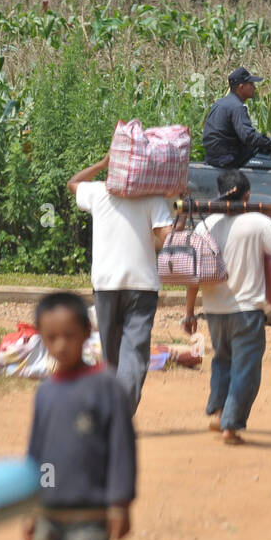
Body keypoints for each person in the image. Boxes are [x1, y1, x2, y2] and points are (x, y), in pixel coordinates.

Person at [23, 293, 136, 540]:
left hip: (90, 515)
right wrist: (30, 506)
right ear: (40, 335)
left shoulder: (106, 388)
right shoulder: (45, 394)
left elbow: (121, 446)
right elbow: (38, 454)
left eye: (69, 335)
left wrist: (119, 502)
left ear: (87, 333)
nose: (60, 344)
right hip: (48, 517)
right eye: (51, 337)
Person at [182, 170, 271, 444]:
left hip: (215, 312)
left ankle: (218, 412)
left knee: (222, 362)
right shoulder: (256, 223)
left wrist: (189, 312)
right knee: (246, 369)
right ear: (247, 195)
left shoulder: (205, 226)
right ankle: (230, 425)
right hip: (247, 310)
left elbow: (193, 275)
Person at [68, 153, 173, 415]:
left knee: (111, 355)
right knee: (134, 352)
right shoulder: (153, 198)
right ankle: (121, 413)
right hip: (142, 285)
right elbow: (166, 238)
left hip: (105, 285)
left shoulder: (98, 192)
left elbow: (73, 183)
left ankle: (110, 411)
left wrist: (101, 164)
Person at [203, 67, 271, 168]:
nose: (254, 87)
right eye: (251, 84)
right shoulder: (237, 107)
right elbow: (248, 137)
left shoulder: (219, 103)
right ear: (241, 87)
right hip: (227, 160)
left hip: (213, 158)